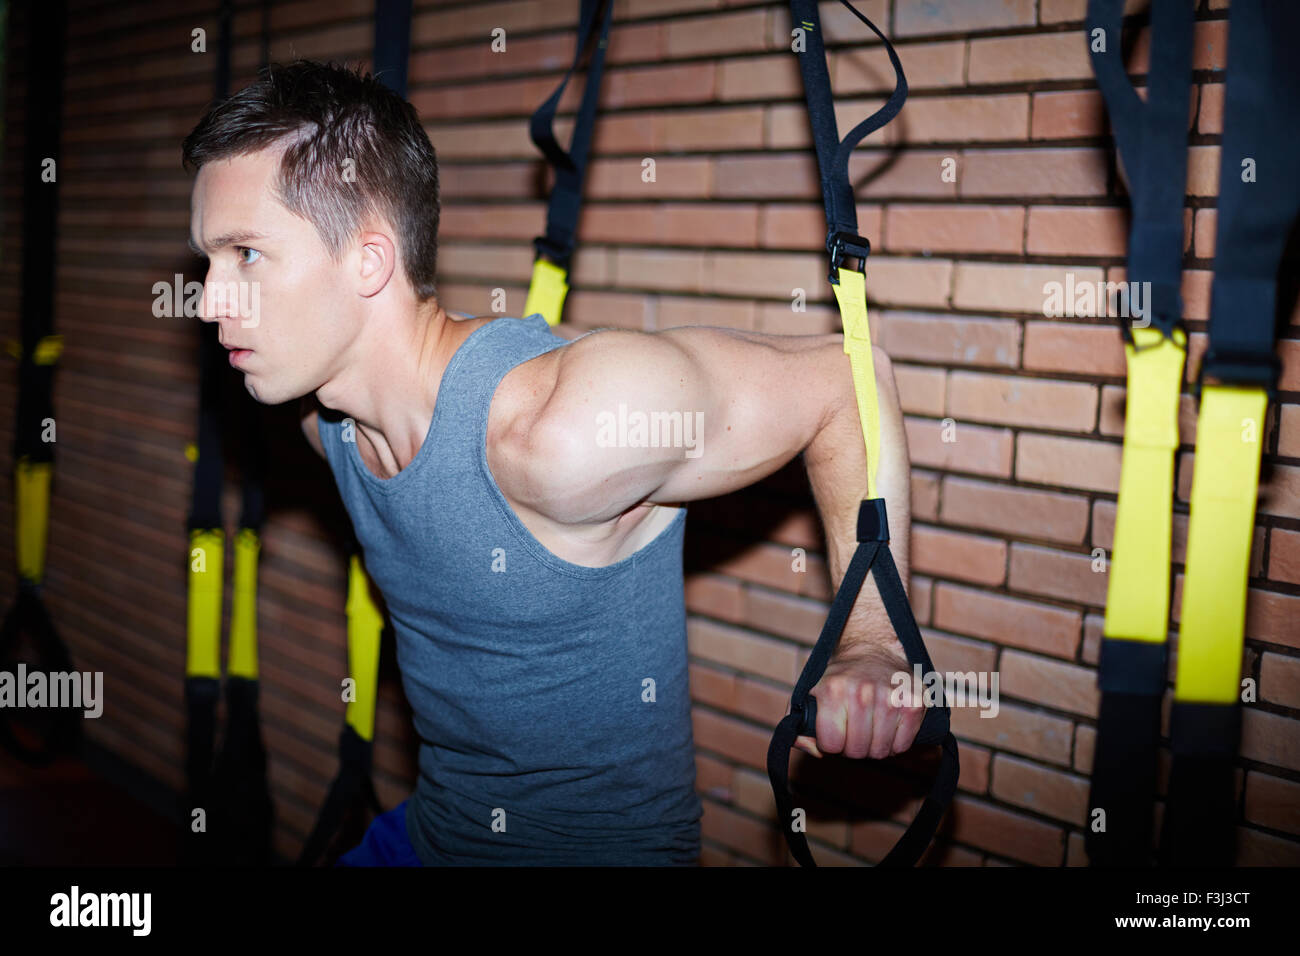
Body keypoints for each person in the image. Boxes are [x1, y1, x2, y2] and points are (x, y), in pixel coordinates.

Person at [181, 59, 920, 866]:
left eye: (246, 254)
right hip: (432, 839)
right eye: (208, 262)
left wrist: (873, 644)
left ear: (368, 260)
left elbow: (851, 381)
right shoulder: (327, 429)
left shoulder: (563, 432)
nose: (212, 298)